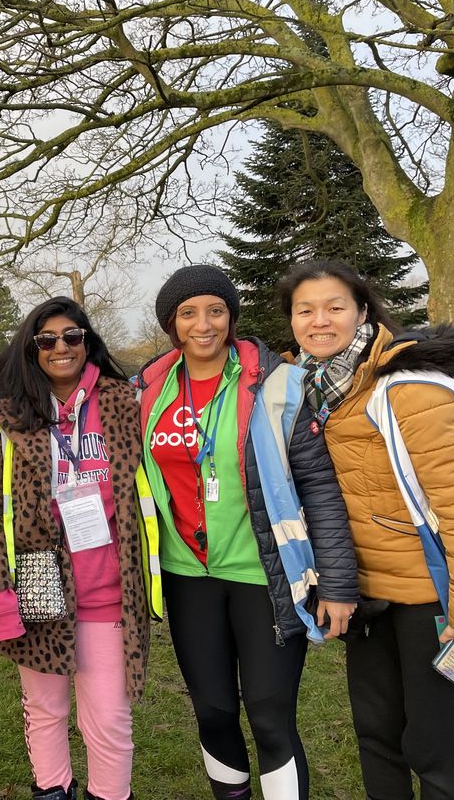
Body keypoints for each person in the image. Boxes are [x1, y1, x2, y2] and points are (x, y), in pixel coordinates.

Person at [133, 264, 357, 800]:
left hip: (265, 574)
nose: (203, 324)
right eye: (188, 313)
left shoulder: (277, 383)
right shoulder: (148, 388)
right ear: (171, 323)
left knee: (269, 714)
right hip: (189, 576)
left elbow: (320, 487)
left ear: (231, 317)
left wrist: (340, 585)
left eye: (215, 310)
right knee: (212, 712)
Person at [277, 259, 454, 799]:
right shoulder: (308, 391)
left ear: (363, 311)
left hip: (429, 604)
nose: (319, 320)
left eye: (334, 307)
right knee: (377, 741)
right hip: (366, 599)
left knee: (438, 754)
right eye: (305, 310)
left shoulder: (410, 390)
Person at [0, 297, 160, 800]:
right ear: (31, 348)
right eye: (47, 339)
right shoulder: (6, 416)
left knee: (109, 718)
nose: (61, 348)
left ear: (87, 342)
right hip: (38, 585)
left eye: (72, 337)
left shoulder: (122, 403)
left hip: (109, 591)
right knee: (46, 710)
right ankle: (52, 790)